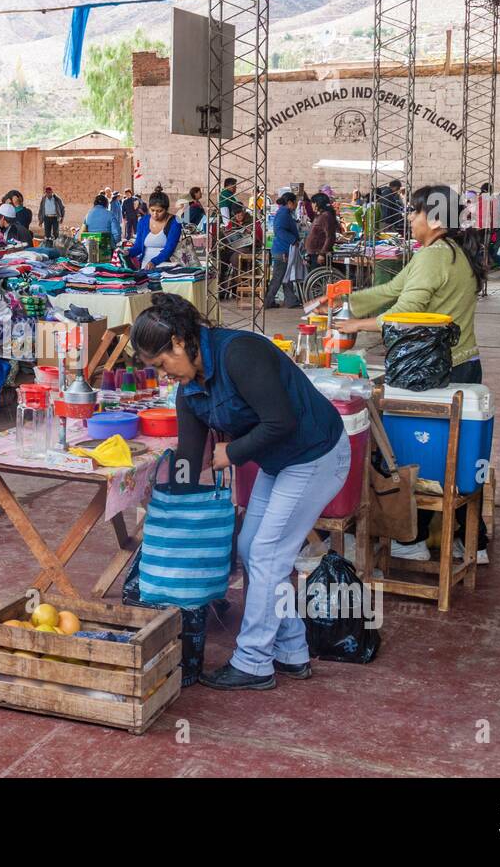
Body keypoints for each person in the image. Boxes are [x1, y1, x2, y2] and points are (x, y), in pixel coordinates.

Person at [131, 293, 348, 689]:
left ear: (180, 341)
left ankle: (254, 661)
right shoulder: (189, 389)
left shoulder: (240, 353)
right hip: (279, 462)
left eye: (162, 364)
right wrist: (168, 508)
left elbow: (279, 421)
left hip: (316, 454)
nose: (164, 375)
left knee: (266, 553)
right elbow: (189, 456)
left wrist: (231, 453)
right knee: (252, 549)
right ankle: (291, 649)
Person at [331, 185, 486, 383]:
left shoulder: (433, 256)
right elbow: (393, 288)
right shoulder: (452, 249)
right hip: (464, 360)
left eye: (415, 211)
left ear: (435, 220)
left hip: (441, 366)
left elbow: (404, 313)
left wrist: (357, 325)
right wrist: (344, 302)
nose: (410, 218)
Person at [126, 191, 183, 270]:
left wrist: (154, 262)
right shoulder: (143, 221)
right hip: (145, 267)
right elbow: (138, 247)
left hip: (167, 268)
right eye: (152, 210)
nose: (155, 214)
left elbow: (169, 249)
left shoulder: (175, 222)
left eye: (159, 211)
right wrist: (127, 252)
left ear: (166, 209)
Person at [266, 191, 301, 309]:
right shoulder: (283, 214)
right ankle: (268, 301)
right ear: (290, 202)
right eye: (295, 202)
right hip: (282, 250)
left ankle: (291, 301)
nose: (296, 204)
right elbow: (280, 231)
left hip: (283, 249)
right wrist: (293, 240)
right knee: (278, 277)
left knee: (286, 276)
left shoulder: (285, 213)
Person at [304, 192, 339, 270]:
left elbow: (330, 237)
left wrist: (322, 254)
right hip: (313, 253)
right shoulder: (320, 215)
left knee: (318, 279)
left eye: (312, 203)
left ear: (317, 204)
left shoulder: (326, 216)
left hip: (318, 254)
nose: (311, 205)